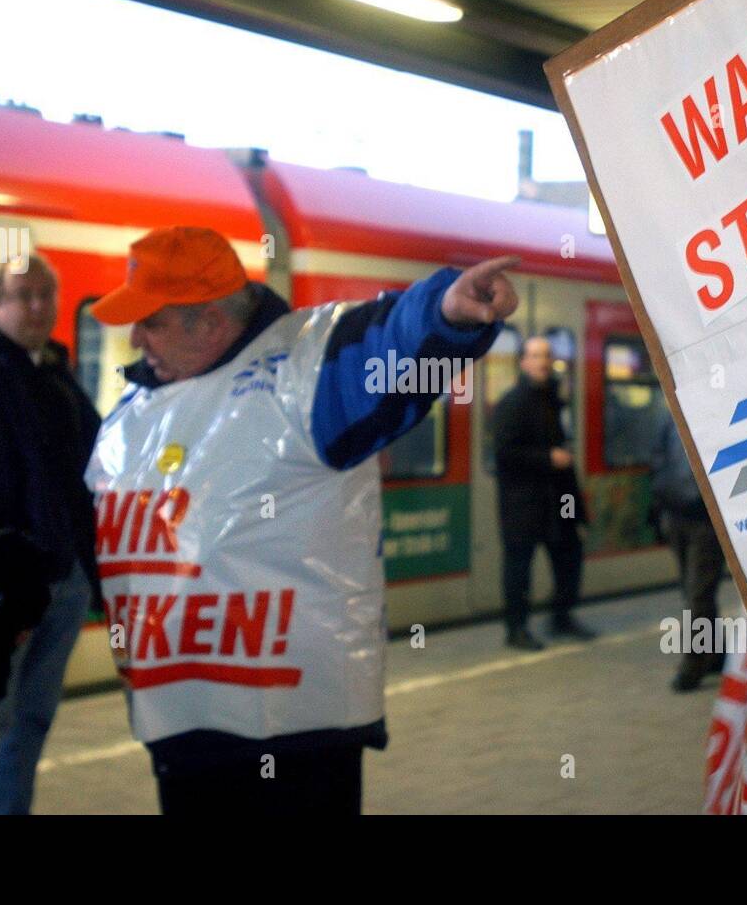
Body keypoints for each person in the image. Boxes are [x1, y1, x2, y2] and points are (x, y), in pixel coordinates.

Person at [87, 226, 516, 815]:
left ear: (209, 321)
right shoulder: (140, 406)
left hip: (292, 731)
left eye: (150, 321)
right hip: (181, 718)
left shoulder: (302, 371)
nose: (135, 338)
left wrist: (445, 314)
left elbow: (383, 346)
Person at [0, 253, 101, 815]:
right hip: (6, 583)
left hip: (63, 579)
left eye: (46, 295)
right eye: (23, 296)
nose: (37, 306)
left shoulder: (55, 373)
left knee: (33, 718)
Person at [492, 336, 594, 650]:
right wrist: (547, 458)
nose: (542, 362)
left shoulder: (555, 400)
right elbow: (504, 454)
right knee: (519, 567)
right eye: (535, 356)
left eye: (546, 355)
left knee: (570, 557)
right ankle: (516, 628)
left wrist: (576, 504)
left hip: (558, 501)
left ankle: (561, 617)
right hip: (523, 503)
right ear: (523, 362)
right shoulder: (511, 403)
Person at [649, 400, 726, 691]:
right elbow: (658, 457)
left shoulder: (714, 408)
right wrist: (661, 502)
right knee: (694, 591)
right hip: (676, 514)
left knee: (697, 595)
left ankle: (693, 666)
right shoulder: (671, 411)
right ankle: (715, 654)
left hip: (705, 519)